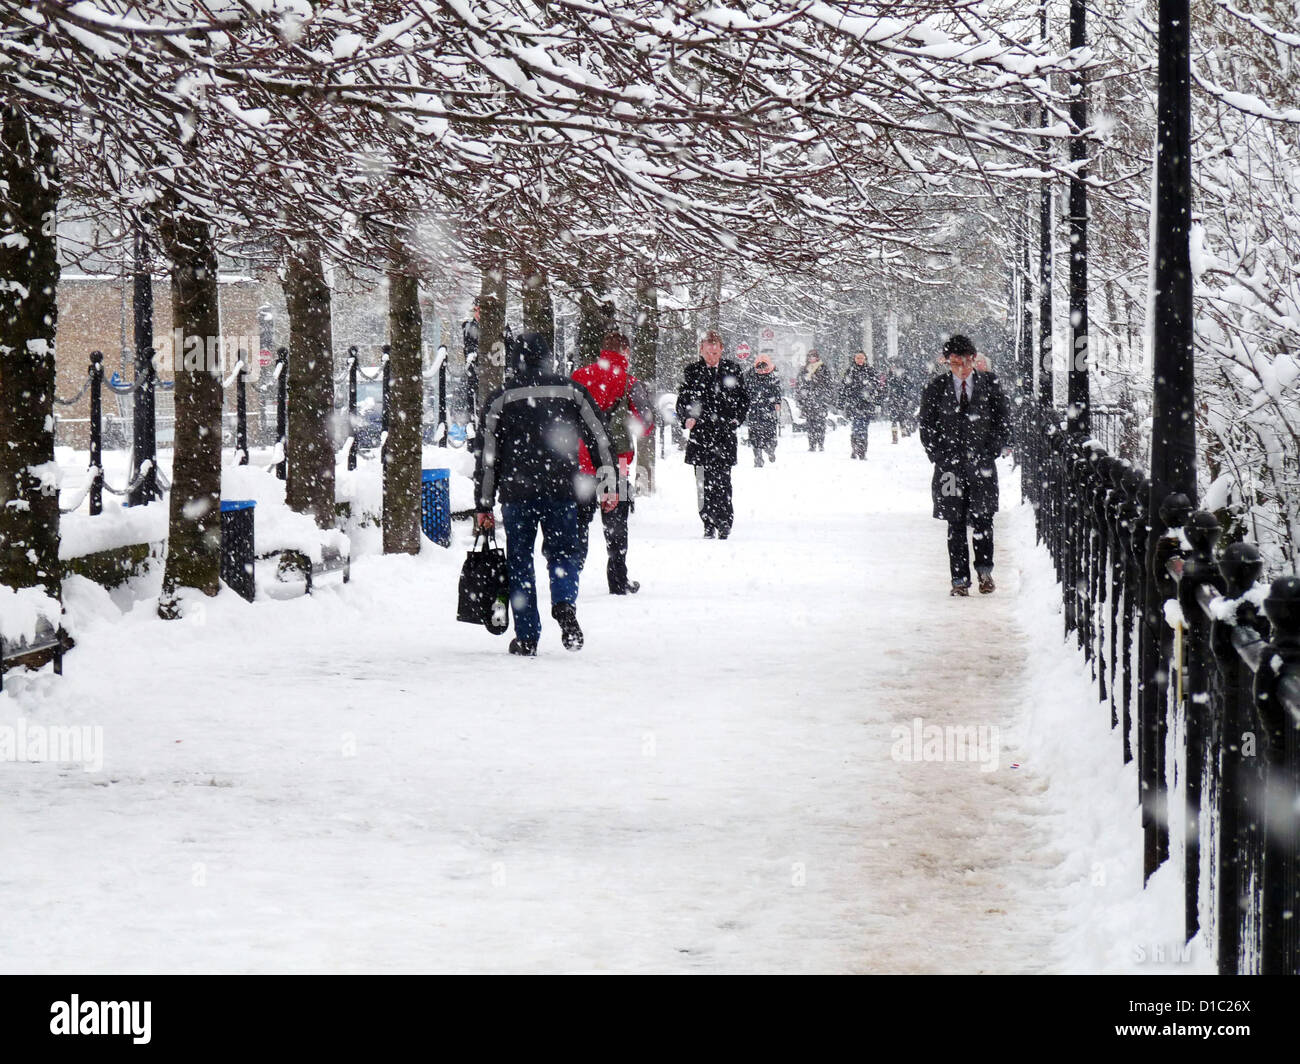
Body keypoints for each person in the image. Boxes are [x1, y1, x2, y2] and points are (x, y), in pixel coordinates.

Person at [474, 332, 618, 655]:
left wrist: (483, 504)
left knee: (520, 561)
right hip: (561, 489)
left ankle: (526, 636)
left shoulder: (501, 399)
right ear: (548, 357)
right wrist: (608, 482)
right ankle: (565, 602)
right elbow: (600, 437)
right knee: (564, 552)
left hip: (516, 493)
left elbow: (487, 457)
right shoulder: (571, 392)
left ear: (516, 360)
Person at [918, 334, 1013, 597]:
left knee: (983, 519)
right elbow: (926, 426)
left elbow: (1002, 421)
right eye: (956, 362)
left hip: (980, 465)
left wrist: (990, 450)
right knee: (955, 521)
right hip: (949, 469)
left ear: (974, 359)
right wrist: (939, 455)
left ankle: (984, 571)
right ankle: (959, 579)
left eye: (967, 361)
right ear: (946, 361)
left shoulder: (990, 385)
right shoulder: (936, 389)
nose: (962, 368)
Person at [572, 331, 653, 595]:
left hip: (582, 462)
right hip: (615, 464)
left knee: (578, 522)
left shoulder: (579, 377)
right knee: (616, 525)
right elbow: (646, 423)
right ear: (626, 352)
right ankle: (618, 579)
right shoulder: (630, 382)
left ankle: (569, 576)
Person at [676, 330, 750, 538]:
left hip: (724, 436)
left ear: (721, 350)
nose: (711, 357)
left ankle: (724, 521)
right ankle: (707, 521)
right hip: (700, 437)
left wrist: (736, 419)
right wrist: (687, 417)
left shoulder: (732, 370)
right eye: (708, 353)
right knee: (703, 483)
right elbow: (683, 401)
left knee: (723, 482)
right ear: (701, 350)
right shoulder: (692, 372)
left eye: (715, 353)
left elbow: (743, 399)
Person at [839, 351, 882, 460]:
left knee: (863, 428)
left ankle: (862, 450)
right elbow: (844, 388)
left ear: (865, 359)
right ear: (854, 359)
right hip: (853, 404)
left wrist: (877, 401)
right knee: (856, 427)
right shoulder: (850, 371)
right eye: (857, 358)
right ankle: (855, 448)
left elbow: (877, 388)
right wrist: (841, 402)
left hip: (867, 404)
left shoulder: (870, 371)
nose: (859, 360)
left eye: (861, 358)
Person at [744, 354, 783, 466]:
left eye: (764, 367)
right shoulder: (749, 377)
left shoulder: (773, 378)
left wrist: (777, 403)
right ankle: (758, 458)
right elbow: (745, 392)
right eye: (759, 368)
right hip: (754, 411)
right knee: (754, 437)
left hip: (768, 411)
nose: (762, 370)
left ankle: (770, 450)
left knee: (769, 435)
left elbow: (777, 392)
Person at [795, 349, 832, 451]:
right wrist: (801, 397)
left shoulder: (823, 368)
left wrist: (824, 395)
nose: (811, 358)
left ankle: (820, 443)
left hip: (820, 400)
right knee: (810, 424)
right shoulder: (804, 369)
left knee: (820, 423)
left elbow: (828, 384)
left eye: (813, 356)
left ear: (817, 357)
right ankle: (811, 444)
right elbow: (799, 385)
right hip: (808, 401)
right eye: (810, 356)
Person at [885, 361, 911, 444]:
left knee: (901, 417)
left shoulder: (903, 377)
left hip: (901, 399)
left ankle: (902, 432)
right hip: (894, 399)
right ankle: (895, 435)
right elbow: (888, 384)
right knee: (895, 418)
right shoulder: (892, 376)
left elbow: (908, 386)